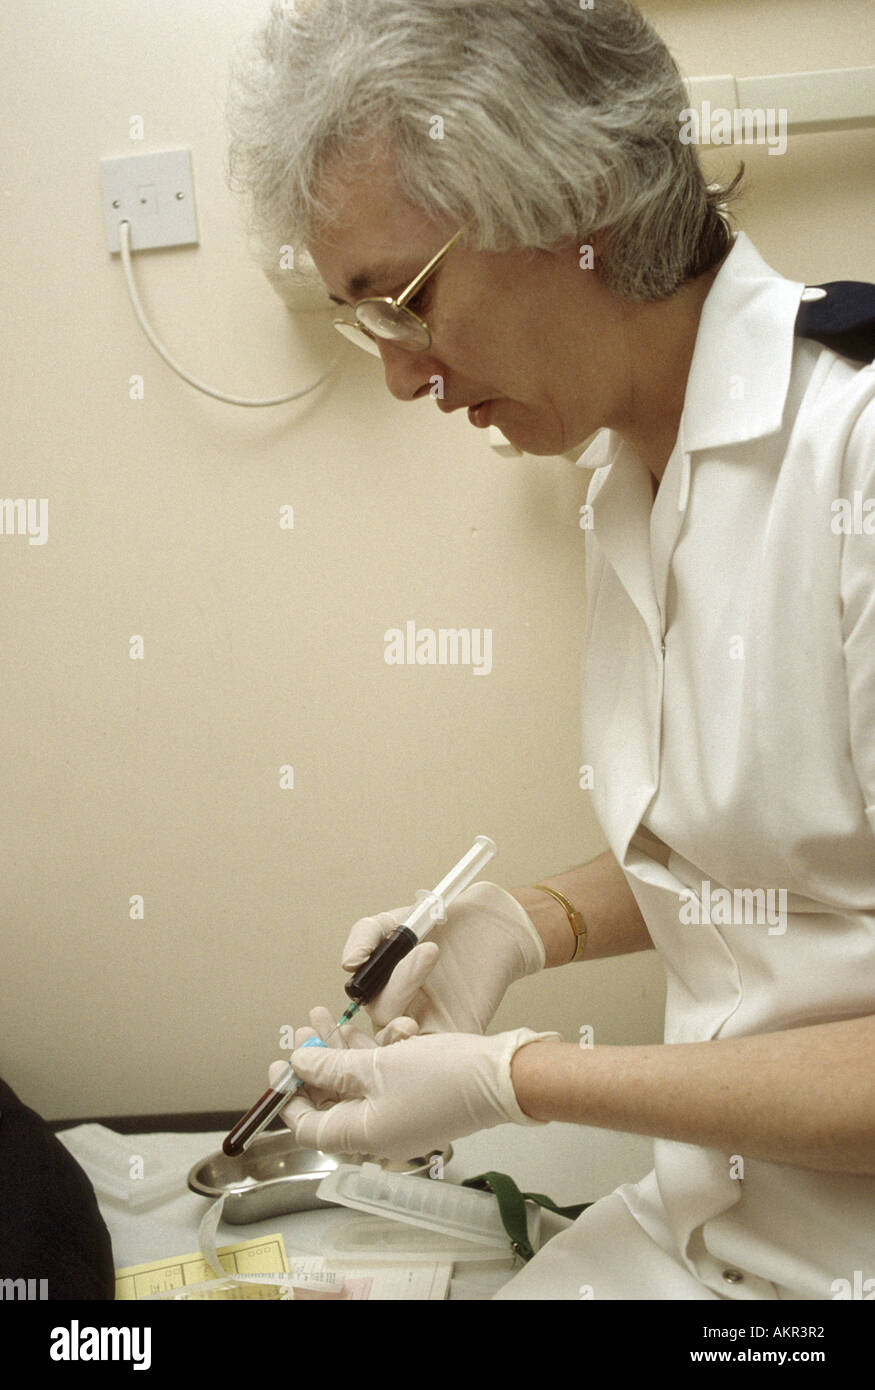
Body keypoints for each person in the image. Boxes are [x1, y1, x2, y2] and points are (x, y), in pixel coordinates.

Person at [225, 0, 875, 1299]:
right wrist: (524, 919)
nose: (405, 379)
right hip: (708, 1220)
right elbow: (773, 857)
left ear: (579, 197)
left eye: (401, 301)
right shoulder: (624, 486)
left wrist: (518, 1078)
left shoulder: (854, 459)